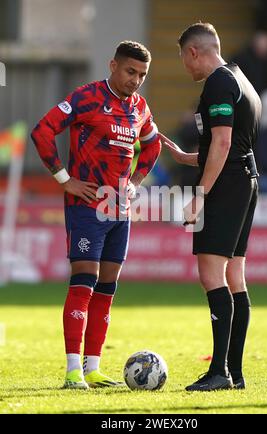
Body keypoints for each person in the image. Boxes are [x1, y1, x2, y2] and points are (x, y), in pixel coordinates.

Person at [31, 41, 161, 389]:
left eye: (142, 75)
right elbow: (42, 131)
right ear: (113, 65)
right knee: (84, 282)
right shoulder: (86, 97)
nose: (136, 80)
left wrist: (135, 181)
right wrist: (65, 179)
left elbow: (153, 144)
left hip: (120, 208)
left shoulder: (139, 107)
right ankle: (73, 370)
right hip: (86, 205)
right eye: (130, 71)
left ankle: (93, 368)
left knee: (107, 287)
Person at [160, 21, 262, 392]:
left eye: (185, 61)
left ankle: (219, 370)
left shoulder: (217, 81)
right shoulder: (241, 79)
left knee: (211, 275)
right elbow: (228, 148)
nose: (187, 69)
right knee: (235, 277)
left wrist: (199, 195)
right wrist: (182, 156)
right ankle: (234, 373)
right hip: (246, 180)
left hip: (227, 186)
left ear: (193, 52)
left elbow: (221, 145)